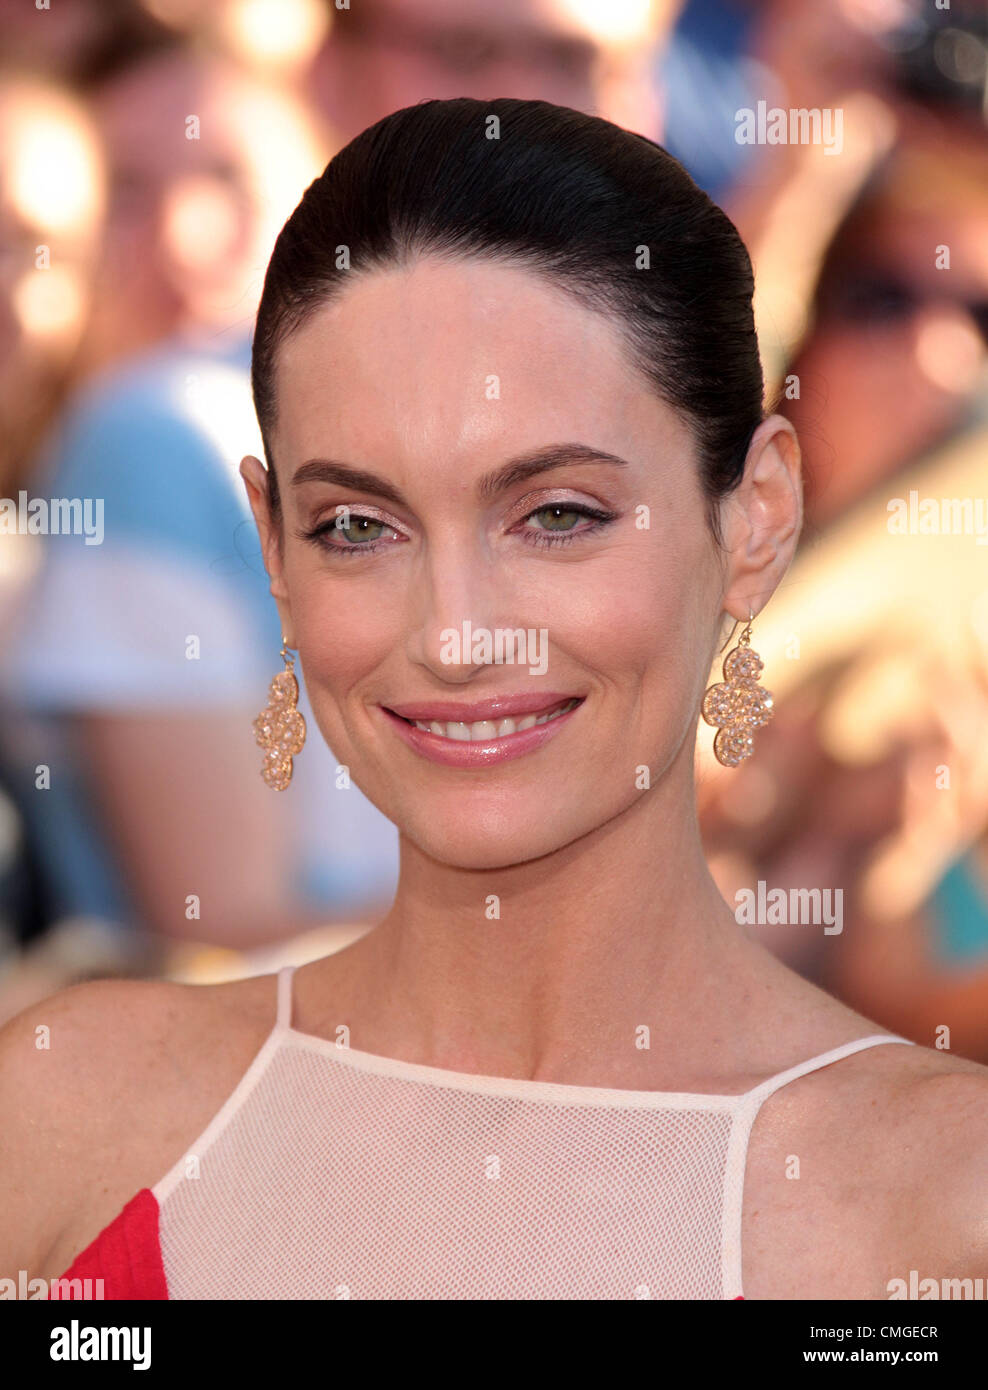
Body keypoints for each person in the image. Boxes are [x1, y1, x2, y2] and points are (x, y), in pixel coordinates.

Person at [2, 99, 985, 1301]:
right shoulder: (66, 1112)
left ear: (755, 516)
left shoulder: (941, 1208)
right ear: (271, 547)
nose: (455, 635)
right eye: (356, 526)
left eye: (556, 514)